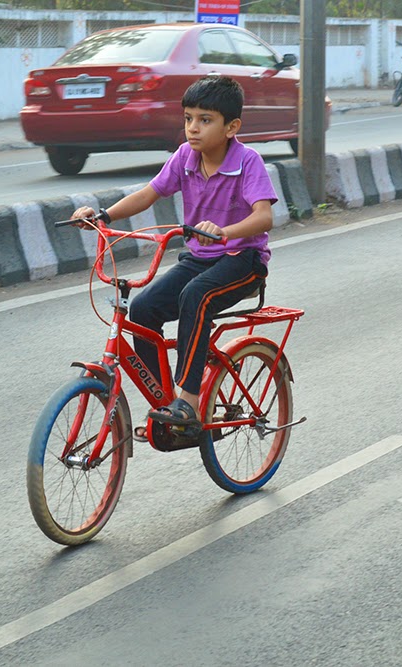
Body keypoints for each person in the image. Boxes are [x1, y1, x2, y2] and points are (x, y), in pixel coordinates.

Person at [69, 77, 277, 435]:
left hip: (243, 260)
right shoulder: (185, 157)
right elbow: (149, 194)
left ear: (231, 127)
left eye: (205, 120)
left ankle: (189, 402)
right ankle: (166, 404)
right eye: (188, 118)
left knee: (195, 295)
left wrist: (225, 231)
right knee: (143, 309)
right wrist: (103, 217)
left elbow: (264, 216)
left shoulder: (248, 161)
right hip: (199, 258)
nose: (193, 128)